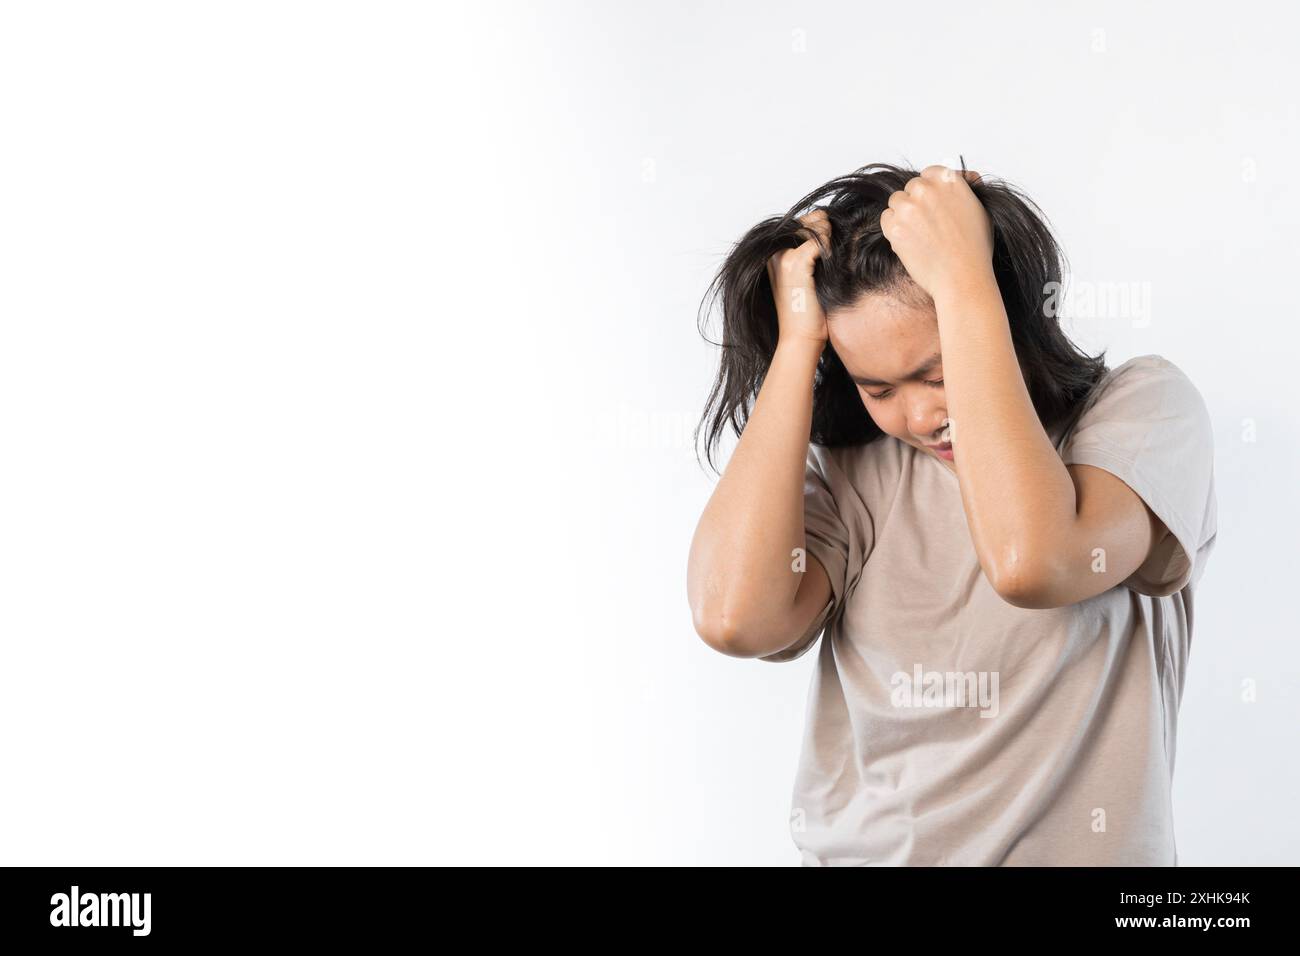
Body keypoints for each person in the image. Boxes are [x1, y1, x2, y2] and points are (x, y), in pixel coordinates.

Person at [686, 162, 1218, 866]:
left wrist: (966, 281)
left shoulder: (1139, 411)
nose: (922, 414)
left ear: (1003, 317)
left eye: (938, 373)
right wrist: (795, 349)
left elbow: (1034, 561)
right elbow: (734, 618)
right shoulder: (852, 471)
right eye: (879, 387)